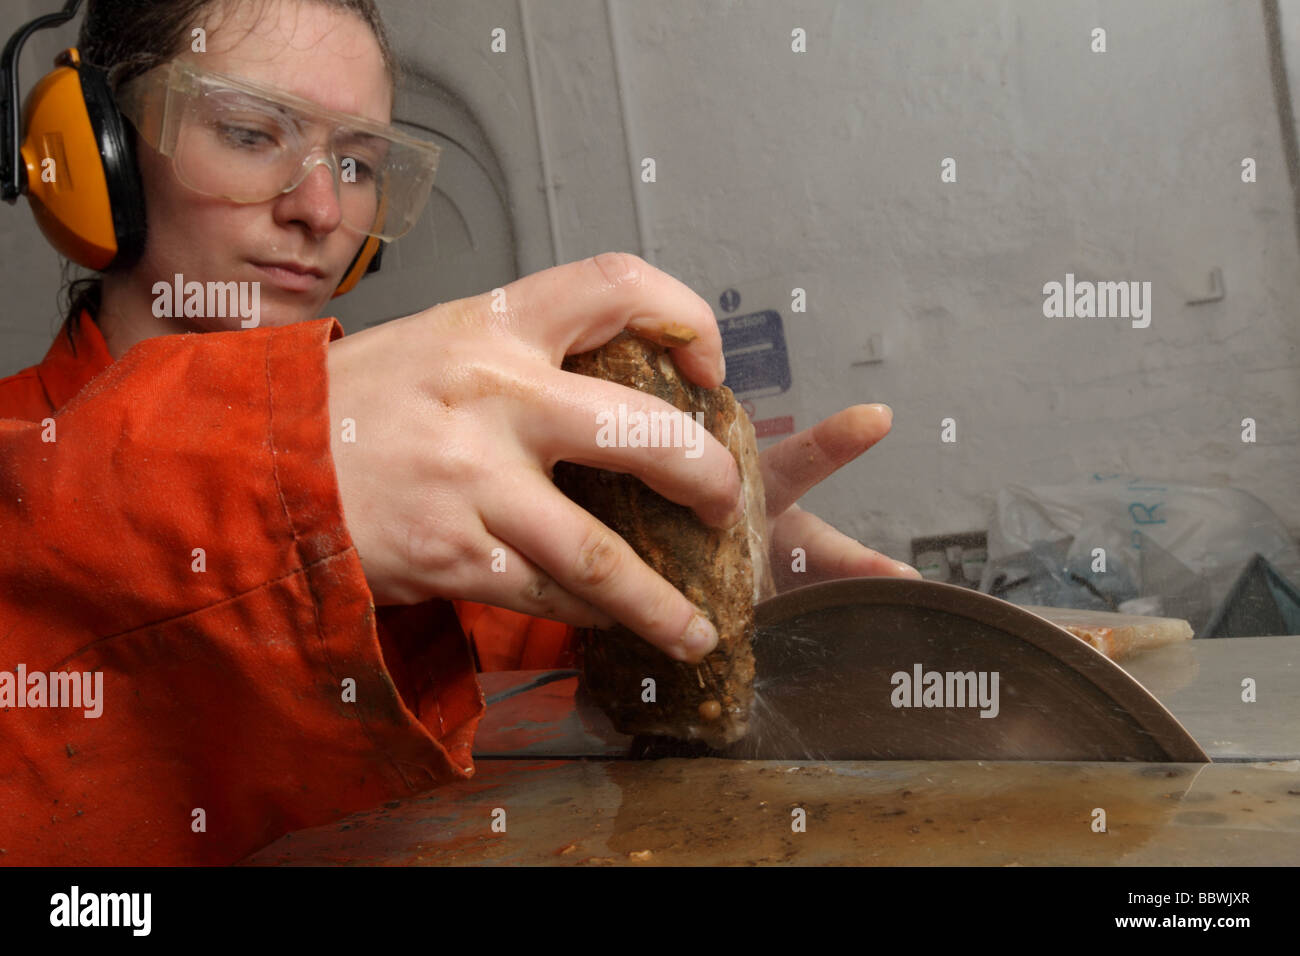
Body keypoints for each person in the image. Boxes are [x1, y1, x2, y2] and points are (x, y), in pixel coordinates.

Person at [0, 0, 918, 865]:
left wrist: (692, 587)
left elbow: (561, 708)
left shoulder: (469, 495)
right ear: (97, 151)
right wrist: (283, 483)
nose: (320, 210)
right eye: (249, 133)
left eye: (357, 163)